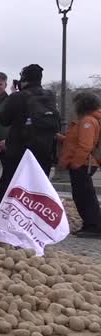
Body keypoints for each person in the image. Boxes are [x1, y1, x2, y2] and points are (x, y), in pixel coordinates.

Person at [0, 64, 61, 204]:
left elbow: (3, 119)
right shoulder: (49, 95)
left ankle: (5, 213)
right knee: (39, 187)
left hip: (19, 150)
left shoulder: (18, 97)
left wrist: (14, 95)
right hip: (44, 150)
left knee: (11, 183)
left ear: (23, 79)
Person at [57, 92, 101, 238]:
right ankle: (90, 224)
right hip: (84, 163)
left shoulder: (87, 121)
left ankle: (94, 226)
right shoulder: (88, 120)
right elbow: (76, 142)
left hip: (83, 164)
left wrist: (76, 163)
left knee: (84, 195)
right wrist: (61, 138)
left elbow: (85, 146)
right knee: (83, 194)